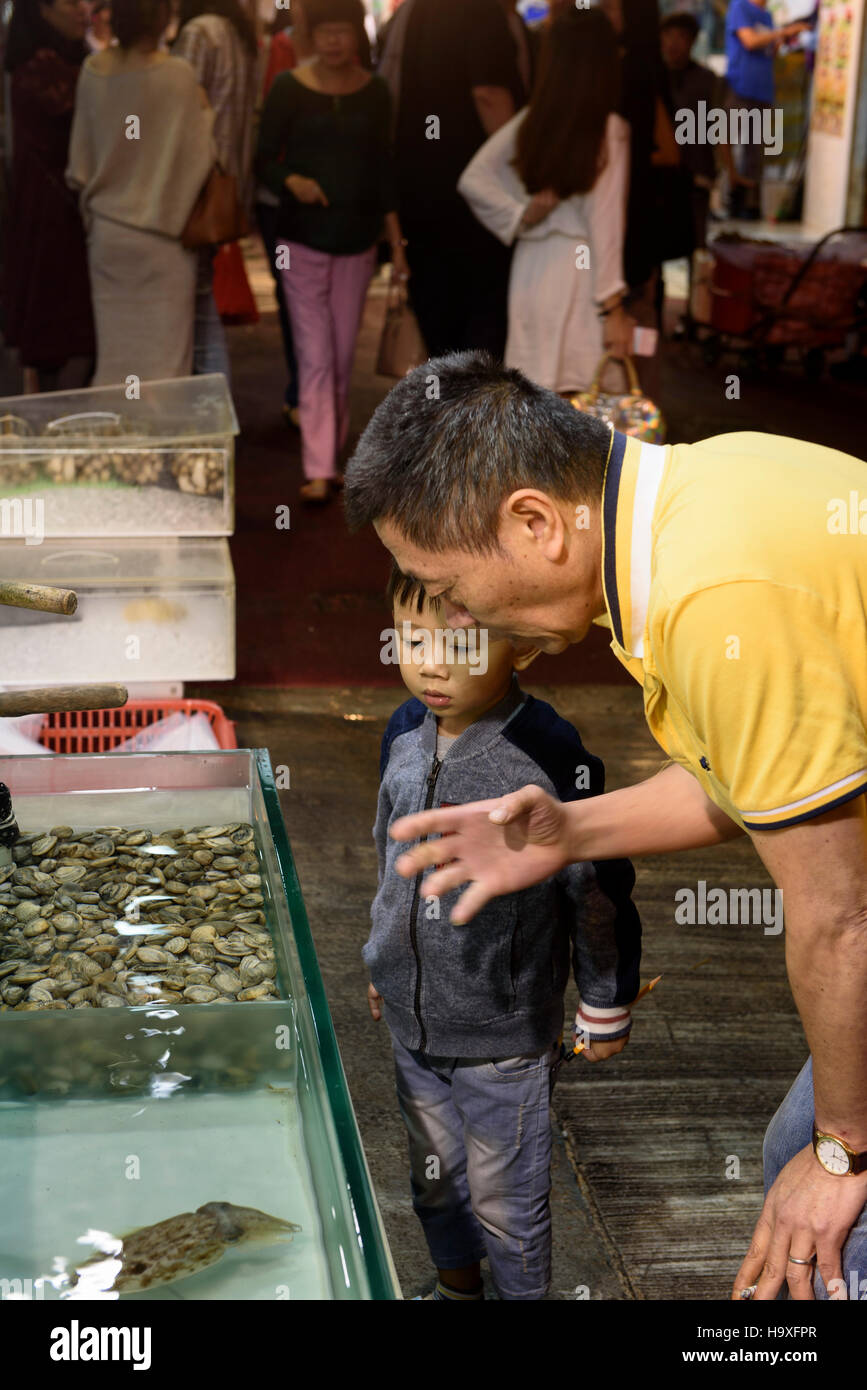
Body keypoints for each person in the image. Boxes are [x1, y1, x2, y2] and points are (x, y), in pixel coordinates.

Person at [344, 350, 867, 1302]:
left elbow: (839, 919)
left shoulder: (714, 599)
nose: (450, 615)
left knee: (836, 1244)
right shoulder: (688, 509)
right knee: (795, 1151)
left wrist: (845, 1156)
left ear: (534, 522)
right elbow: (753, 777)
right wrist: (568, 834)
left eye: (447, 586)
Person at [366, 563, 641, 1301]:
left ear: (519, 646)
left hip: (503, 1038)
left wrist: (603, 1001)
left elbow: (598, 881)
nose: (427, 662)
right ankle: (456, 1292)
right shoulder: (402, 731)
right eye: (410, 640)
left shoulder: (547, 753)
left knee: (505, 1206)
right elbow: (391, 857)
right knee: (434, 1184)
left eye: (457, 645)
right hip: (413, 1025)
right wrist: (380, 959)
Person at [255, 0, 407, 504]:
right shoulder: (287, 88)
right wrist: (291, 180)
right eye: (325, 33)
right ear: (312, 36)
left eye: (342, 33)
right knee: (315, 354)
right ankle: (319, 466)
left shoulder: (376, 92)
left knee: (341, 355)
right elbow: (261, 160)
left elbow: (386, 169)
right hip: (298, 241)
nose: (333, 42)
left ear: (356, 36)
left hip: (357, 242)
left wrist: (396, 243)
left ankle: (331, 458)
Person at [457, 7, 631, 394]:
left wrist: (520, 215)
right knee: (588, 405)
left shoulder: (532, 120)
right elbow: (606, 229)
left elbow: (473, 179)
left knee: (538, 404)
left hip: (530, 270)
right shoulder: (610, 130)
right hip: (580, 275)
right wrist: (614, 309)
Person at [66, 0, 216, 385]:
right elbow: (202, 156)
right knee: (166, 364)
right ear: (164, 16)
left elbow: (79, 164)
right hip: (164, 238)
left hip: (108, 235)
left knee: (118, 359)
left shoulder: (92, 71)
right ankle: (161, 442)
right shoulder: (178, 75)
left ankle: (116, 440)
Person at [379, 0, 523, 361]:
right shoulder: (481, 11)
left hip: (418, 193)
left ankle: (448, 412)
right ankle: (470, 415)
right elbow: (489, 94)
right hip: (475, 202)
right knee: (482, 333)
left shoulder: (412, 13)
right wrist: (518, 172)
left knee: (441, 335)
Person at [3, 0, 95, 393]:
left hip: (64, 207)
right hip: (53, 214)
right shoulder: (43, 67)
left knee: (64, 331)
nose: (83, 9)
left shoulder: (68, 59)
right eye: (71, 1)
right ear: (43, 9)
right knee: (62, 329)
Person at [173, 0, 259, 382]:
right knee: (203, 305)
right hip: (227, 186)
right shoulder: (237, 34)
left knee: (195, 312)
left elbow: (178, 106)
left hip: (197, 186)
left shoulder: (200, 33)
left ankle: (209, 409)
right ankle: (214, 407)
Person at [256, 0, 316, 428]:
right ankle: (305, 394)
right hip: (282, 197)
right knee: (296, 300)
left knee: (308, 303)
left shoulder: (346, 52)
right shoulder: (280, 49)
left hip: (323, 201)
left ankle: (311, 397)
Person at [724, 0, 807, 219]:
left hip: (763, 90)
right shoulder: (739, 7)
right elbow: (749, 41)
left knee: (755, 151)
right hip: (740, 86)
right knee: (725, 142)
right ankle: (728, 199)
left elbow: (769, 50)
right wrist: (783, 31)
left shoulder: (767, 16)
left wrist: (783, 38)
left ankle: (749, 205)